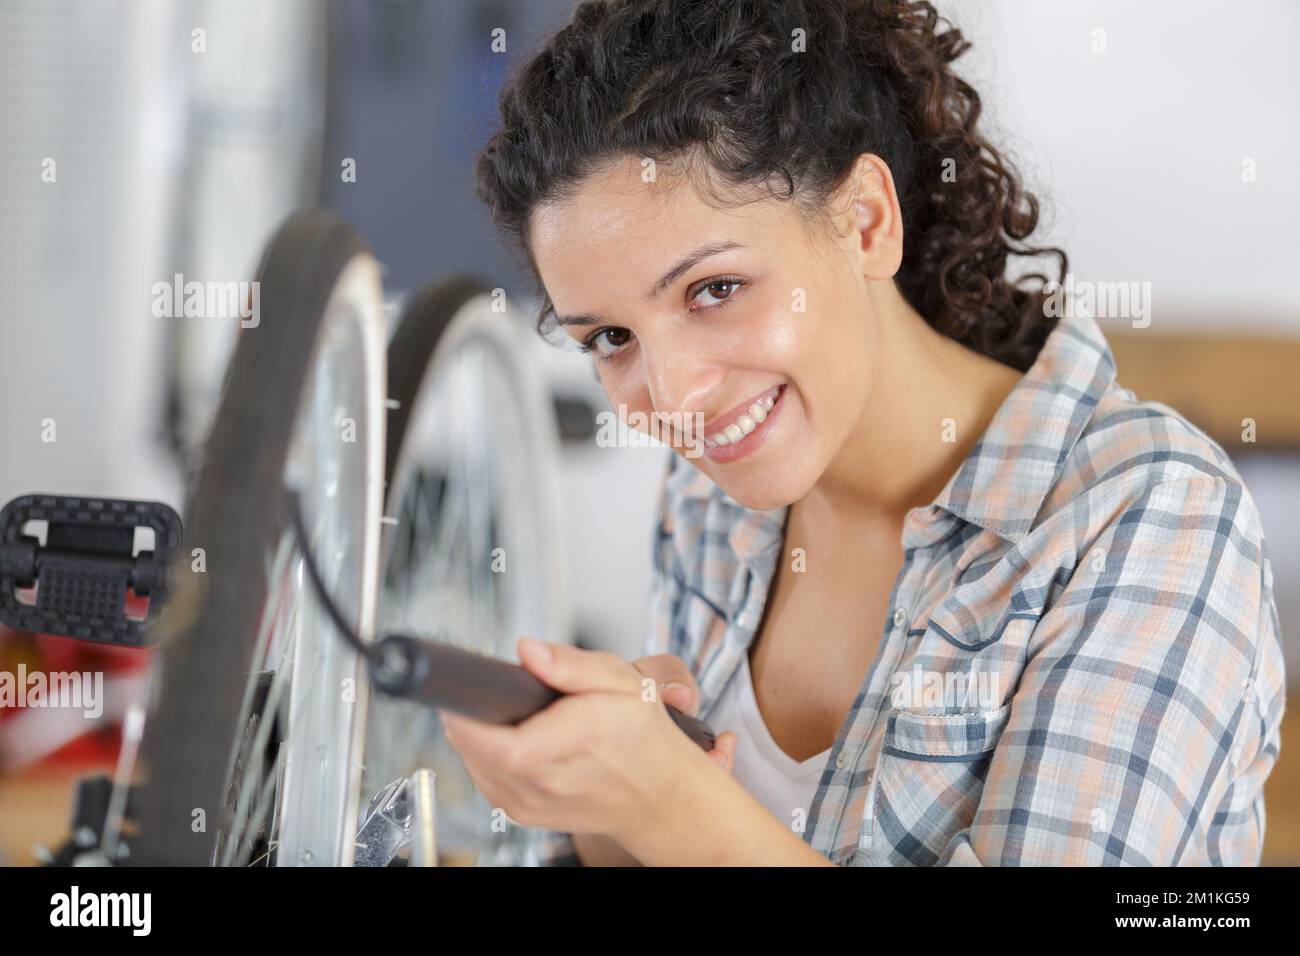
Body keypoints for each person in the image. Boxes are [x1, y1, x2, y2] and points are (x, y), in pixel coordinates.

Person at [440, 0, 1286, 865]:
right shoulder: (715, 494)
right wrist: (601, 800)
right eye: (611, 339)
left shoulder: (1147, 519)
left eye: (714, 290)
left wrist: (667, 803)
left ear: (867, 222)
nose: (675, 397)